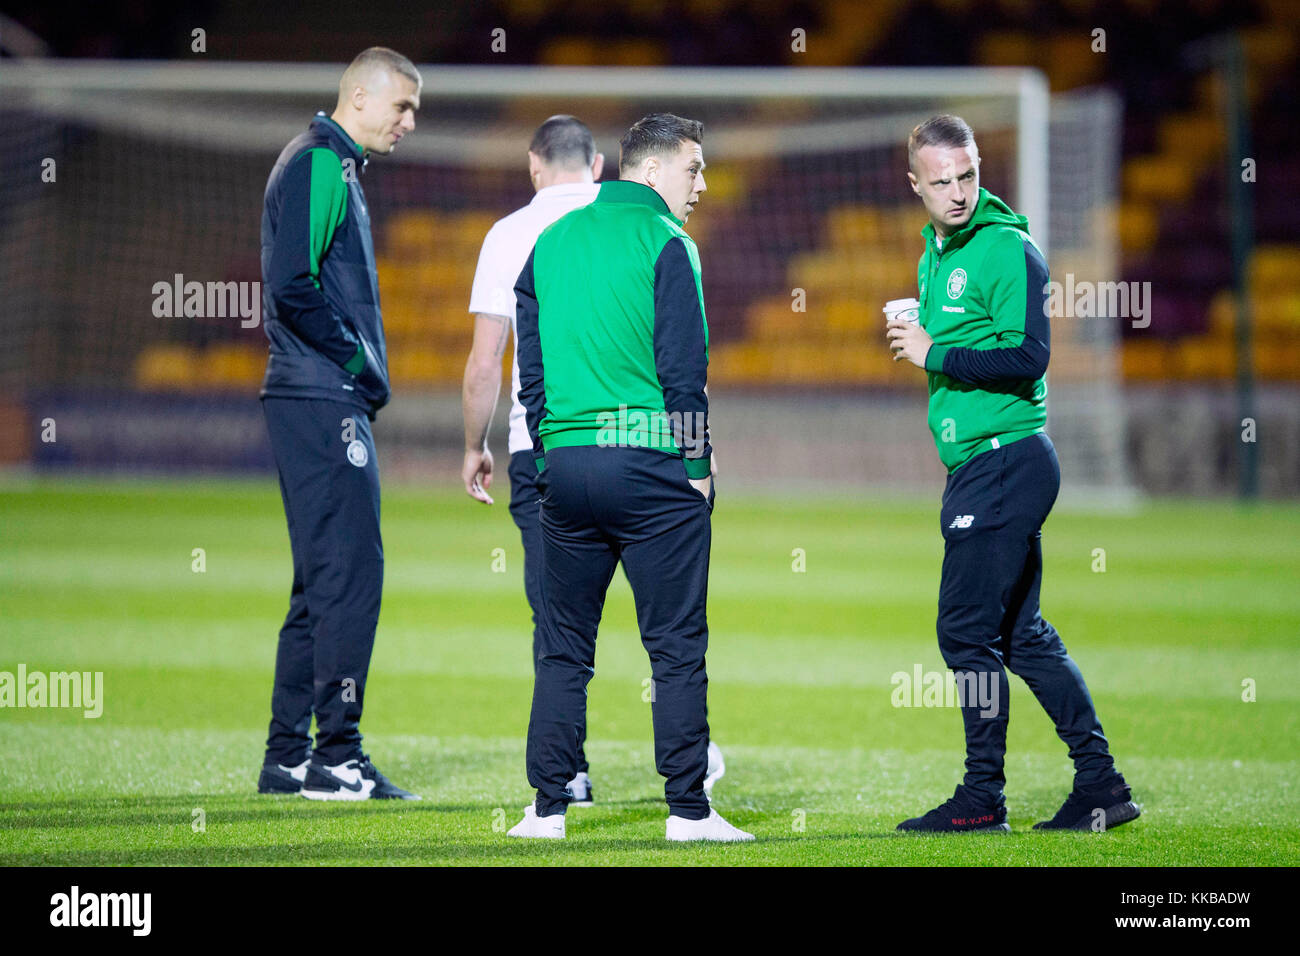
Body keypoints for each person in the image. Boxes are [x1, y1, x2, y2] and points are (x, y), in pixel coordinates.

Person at [462, 116, 729, 809]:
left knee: (561, 645)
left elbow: (532, 366)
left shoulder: (549, 242)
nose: (701, 185)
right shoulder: (668, 242)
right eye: (693, 169)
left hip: (567, 469)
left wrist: (550, 448)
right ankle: (690, 810)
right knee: (673, 646)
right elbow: (684, 372)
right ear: (650, 171)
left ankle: (548, 805)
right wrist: (696, 462)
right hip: (648, 466)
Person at [886, 114, 1139, 832]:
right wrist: (924, 348)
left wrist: (934, 353)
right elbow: (958, 353)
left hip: (1008, 463)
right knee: (1020, 636)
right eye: (942, 182)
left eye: (967, 175)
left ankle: (981, 797)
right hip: (981, 466)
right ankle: (1102, 785)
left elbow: (1031, 356)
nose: (959, 192)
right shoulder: (931, 256)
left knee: (965, 633)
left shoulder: (1009, 248)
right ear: (917, 185)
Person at [256, 47, 421, 801]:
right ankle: (337, 756)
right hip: (321, 395)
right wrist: (357, 360)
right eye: (402, 108)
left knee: (321, 583)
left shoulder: (333, 164)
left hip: (313, 395)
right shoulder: (321, 160)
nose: (410, 124)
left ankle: (289, 757)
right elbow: (292, 284)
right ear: (360, 96)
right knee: (353, 576)